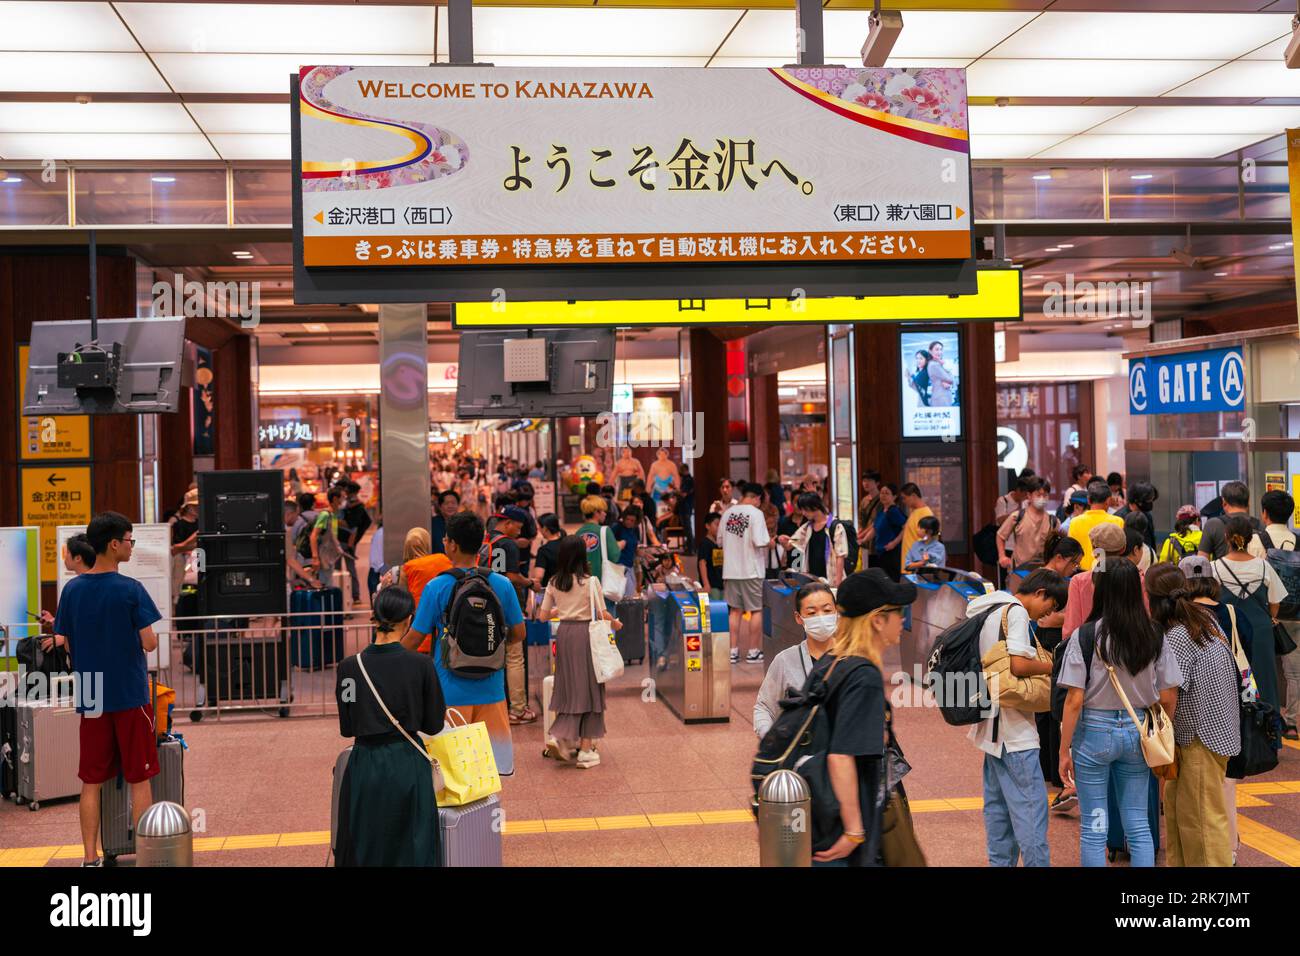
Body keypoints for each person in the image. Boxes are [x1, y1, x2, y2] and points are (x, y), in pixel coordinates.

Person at [52, 512, 162, 867]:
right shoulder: (130, 590)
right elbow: (149, 643)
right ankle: (145, 855)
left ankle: (89, 857)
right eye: (129, 540)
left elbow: (66, 643)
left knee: (91, 780)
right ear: (114, 544)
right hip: (129, 693)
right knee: (139, 777)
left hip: (91, 692)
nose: (131, 546)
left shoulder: (71, 590)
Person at [1058, 560, 1181, 868]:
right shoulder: (1154, 634)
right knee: (1139, 823)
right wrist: (1159, 728)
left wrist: (1064, 749)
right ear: (1136, 590)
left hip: (1094, 734)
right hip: (1139, 731)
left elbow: (1074, 699)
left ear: (1100, 590)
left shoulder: (1086, 636)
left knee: (1095, 826)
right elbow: (1168, 695)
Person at [807, 569, 918, 866]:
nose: (903, 620)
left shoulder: (830, 663)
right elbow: (840, 755)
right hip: (845, 829)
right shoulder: (863, 676)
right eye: (897, 612)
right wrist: (855, 831)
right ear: (877, 620)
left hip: (821, 814)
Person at [401, 512, 526, 770]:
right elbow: (518, 634)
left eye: (446, 539)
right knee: (489, 771)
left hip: (449, 692)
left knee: (454, 772)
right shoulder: (501, 584)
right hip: (492, 690)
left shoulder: (437, 586)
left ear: (453, 544)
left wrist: (383, 659)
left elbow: (415, 637)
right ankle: (489, 811)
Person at [334, 586, 445, 867]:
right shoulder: (421, 665)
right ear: (409, 619)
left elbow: (348, 727)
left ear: (374, 617)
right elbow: (433, 724)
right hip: (409, 765)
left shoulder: (349, 668)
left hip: (365, 766)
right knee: (413, 847)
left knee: (366, 843)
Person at [963, 568, 1067, 867]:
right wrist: (1055, 665)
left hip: (990, 730)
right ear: (1040, 593)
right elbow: (1019, 665)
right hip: (1016, 732)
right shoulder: (1016, 612)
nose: (1047, 615)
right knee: (1031, 814)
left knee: (998, 815)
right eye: (1050, 606)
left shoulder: (987, 607)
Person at [1145, 563, 1240, 867]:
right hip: (1210, 735)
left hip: (1197, 740)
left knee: (1201, 825)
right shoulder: (1205, 623)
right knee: (1181, 819)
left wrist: (1157, 736)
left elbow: (1168, 697)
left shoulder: (1177, 636)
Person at [538, 536, 621, 768]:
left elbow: (542, 616)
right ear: (582, 556)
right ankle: (585, 749)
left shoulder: (554, 582)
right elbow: (602, 613)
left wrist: (561, 609)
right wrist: (615, 623)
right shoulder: (591, 582)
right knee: (592, 690)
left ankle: (561, 737)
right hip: (587, 637)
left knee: (569, 689)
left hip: (564, 635)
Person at [1211, 514, 1284, 738]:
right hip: (1260, 631)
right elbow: (1275, 603)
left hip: (1226, 631)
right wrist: (1270, 617)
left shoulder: (1214, 567)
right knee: (1263, 681)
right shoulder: (1263, 567)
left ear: (1226, 537)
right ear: (1251, 539)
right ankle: (1268, 737)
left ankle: (1230, 735)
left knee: (1230, 681)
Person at [753, 582, 837, 737]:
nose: (821, 617)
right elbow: (764, 707)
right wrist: (770, 737)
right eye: (811, 613)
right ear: (799, 618)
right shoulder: (785, 660)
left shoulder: (852, 658)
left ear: (836, 612)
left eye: (827, 610)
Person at [1259, 490, 1300, 740]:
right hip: (1295, 614)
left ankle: (1266, 720)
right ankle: (1293, 723)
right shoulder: (1299, 540)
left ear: (1264, 513)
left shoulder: (1257, 540)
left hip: (1266, 614)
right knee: (1294, 672)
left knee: (1263, 668)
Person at [721, 482, 772, 664]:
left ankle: (733, 651)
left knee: (734, 611)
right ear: (757, 498)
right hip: (751, 570)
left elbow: (720, 540)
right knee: (756, 610)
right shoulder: (756, 514)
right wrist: (771, 542)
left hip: (731, 570)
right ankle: (753, 651)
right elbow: (760, 541)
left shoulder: (727, 513)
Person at [382, 528, 451, 652]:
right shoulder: (444, 562)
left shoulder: (397, 573)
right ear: (427, 544)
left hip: (411, 638)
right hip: (442, 637)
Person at [782, 493, 851, 586]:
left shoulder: (835, 526)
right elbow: (789, 545)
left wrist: (838, 584)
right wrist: (782, 540)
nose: (803, 513)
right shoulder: (807, 527)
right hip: (811, 579)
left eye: (805, 509)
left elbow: (840, 556)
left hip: (830, 578)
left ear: (814, 506)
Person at [575, 494, 624, 618]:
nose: (605, 514)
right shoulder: (604, 531)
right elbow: (614, 556)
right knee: (607, 625)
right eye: (603, 511)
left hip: (582, 587)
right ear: (596, 513)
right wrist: (620, 545)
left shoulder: (577, 533)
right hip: (603, 586)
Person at [997, 476, 1056, 572]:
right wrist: (1002, 556)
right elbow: (1000, 536)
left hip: (1042, 572)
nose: (1042, 498)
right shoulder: (1017, 517)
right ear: (1029, 496)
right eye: (1038, 495)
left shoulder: (1053, 521)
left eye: (1045, 495)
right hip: (1019, 571)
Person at [1199, 481, 1266, 560]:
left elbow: (1201, 560)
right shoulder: (1260, 525)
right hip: (1253, 571)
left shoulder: (1213, 524)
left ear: (1224, 503)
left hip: (1221, 571)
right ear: (1248, 503)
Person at [1067, 480, 1125, 572]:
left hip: (1082, 573)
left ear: (1089, 500)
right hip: (1110, 573)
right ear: (1108, 501)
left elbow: (1070, 551)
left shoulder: (1074, 522)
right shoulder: (1117, 521)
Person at [870, 483, 907, 582]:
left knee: (891, 581)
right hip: (881, 552)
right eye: (882, 493)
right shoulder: (881, 510)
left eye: (887, 493)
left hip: (892, 553)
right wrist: (862, 540)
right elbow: (874, 528)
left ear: (894, 497)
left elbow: (905, 528)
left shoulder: (894, 511)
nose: (883, 496)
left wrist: (894, 543)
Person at [168, 489, 199, 607]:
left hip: (197, 560)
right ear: (188, 507)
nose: (197, 509)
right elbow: (177, 545)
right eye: (195, 506)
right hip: (184, 560)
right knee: (179, 587)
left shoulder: (199, 522)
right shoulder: (179, 524)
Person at [310, 485, 345, 585]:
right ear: (335, 499)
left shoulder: (334, 515)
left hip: (329, 557)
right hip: (323, 557)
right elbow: (313, 535)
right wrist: (315, 558)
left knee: (328, 584)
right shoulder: (325, 515)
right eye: (342, 497)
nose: (343, 500)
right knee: (324, 585)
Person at [897, 483, 934, 568]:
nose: (903, 501)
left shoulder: (925, 513)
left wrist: (919, 564)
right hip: (909, 566)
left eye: (904, 498)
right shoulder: (915, 511)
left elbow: (928, 541)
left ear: (913, 496)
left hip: (915, 568)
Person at [613, 505, 647, 595]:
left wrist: (642, 553)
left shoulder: (635, 529)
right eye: (627, 519)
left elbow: (635, 547)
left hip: (630, 565)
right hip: (619, 566)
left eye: (632, 521)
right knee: (627, 594)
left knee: (631, 591)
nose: (628, 522)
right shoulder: (617, 527)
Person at [1116, 481, 1157, 552]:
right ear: (1138, 501)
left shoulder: (1147, 515)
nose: (1151, 503)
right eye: (1149, 500)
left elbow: (1151, 541)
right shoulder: (1119, 518)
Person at [529, 513, 565, 592]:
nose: (539, 530)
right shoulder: (568, 543)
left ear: (545, 528)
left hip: (551, 591)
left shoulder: (544, 550)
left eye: (539, 527)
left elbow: (539, 576)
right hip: (568, 588)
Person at [697, 512, 726, 602]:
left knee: (723, 611)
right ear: (707, 526)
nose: (719, 528)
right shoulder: (705, 543)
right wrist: (706, 584)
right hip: (711, 586)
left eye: (721, 525)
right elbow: (702, 563)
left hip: (721, 584)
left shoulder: (720, 543)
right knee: (712, 612)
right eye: (716, 524)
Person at [856, 470, 882, 568]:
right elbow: (861, 521)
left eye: (869, 480)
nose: (866, 483)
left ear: (877, 483)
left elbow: (874, 522)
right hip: (865, 543)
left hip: (876, 542)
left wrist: (860, 536)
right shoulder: (864, 500)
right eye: (864, 480)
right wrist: (860, 533)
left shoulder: (881, 500)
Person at [430, 490, 460, 556]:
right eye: (446, 503)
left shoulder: (463, 524)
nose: (450, 506)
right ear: (440, 507)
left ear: (458, 505)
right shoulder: (432, 524)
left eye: (453, 503)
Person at [926, 340, 955, 407]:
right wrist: (945, 366)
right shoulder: (934, 365)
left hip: (941, 397)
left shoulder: (937, 364)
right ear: (930, 351)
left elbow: (948, 380)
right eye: (937, 349)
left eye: (941, 349)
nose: (939, 352)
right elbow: (951, 379)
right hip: (941, 398)